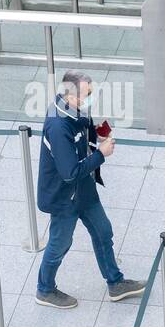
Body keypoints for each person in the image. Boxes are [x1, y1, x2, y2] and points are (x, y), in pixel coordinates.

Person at [35, 71, 145, 308]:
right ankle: (45, 289)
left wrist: (98, 132)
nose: (90, 98)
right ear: (70, 95)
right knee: (60, 244)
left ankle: (115, 283)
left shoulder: (75, 109)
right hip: (64, 198)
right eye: (87, 94)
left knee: (103, 231)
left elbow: (83, 133)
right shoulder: (58, 125)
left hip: (83, 190)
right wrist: (101, 154)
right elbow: (69, 172)